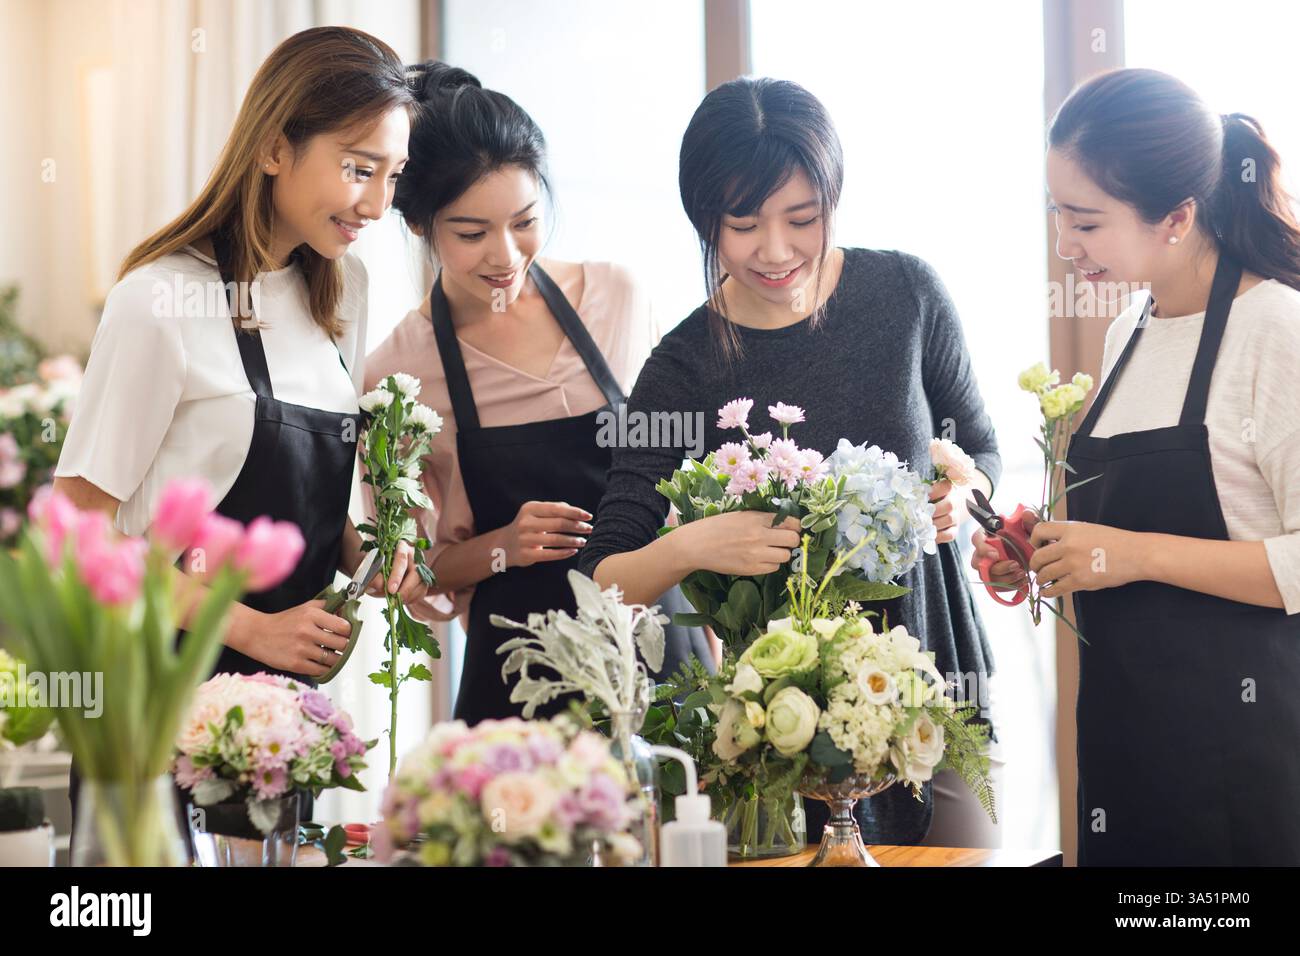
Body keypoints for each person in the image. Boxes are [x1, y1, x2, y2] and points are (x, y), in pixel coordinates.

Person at [580, 77, 1004, 846]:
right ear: (705, 220)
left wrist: (966, 485)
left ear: (832, 201)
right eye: (743, 226)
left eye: (802, 219)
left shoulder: (906, 295)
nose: (776, 252)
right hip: (786, 735)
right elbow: (605, 578)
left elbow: (979, 445)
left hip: (937, 697)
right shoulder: (682, 366)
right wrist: (693, 545)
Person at [53, 26, 428, 846]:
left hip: (275, 721)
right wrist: (254, 627)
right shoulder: (159, 300)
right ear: (272, 149)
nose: (376, 202)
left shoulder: (343, 287)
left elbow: (300, 492)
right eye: (357, 167)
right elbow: (77, 540)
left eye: (391, 176)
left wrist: (366, 549)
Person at [976, 68, 1300, 865]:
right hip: (1130, 750)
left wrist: (1129, 555)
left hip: (1248, 764)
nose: (1065, 244)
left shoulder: (1276, 331)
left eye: (1086, 221)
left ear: (1177, 217)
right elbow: (1120, 541)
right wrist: (1043, 550)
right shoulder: (1131, 330)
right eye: (1057, 212)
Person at [365, 62, 711, 726]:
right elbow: (407, 574)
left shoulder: (618, 297)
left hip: (663, 659)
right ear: (418, 226)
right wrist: (503, 545)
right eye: (471, 234)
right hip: (521, 687)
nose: (505, 255)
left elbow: (689, 486)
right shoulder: (399, 375)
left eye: (524, 221)